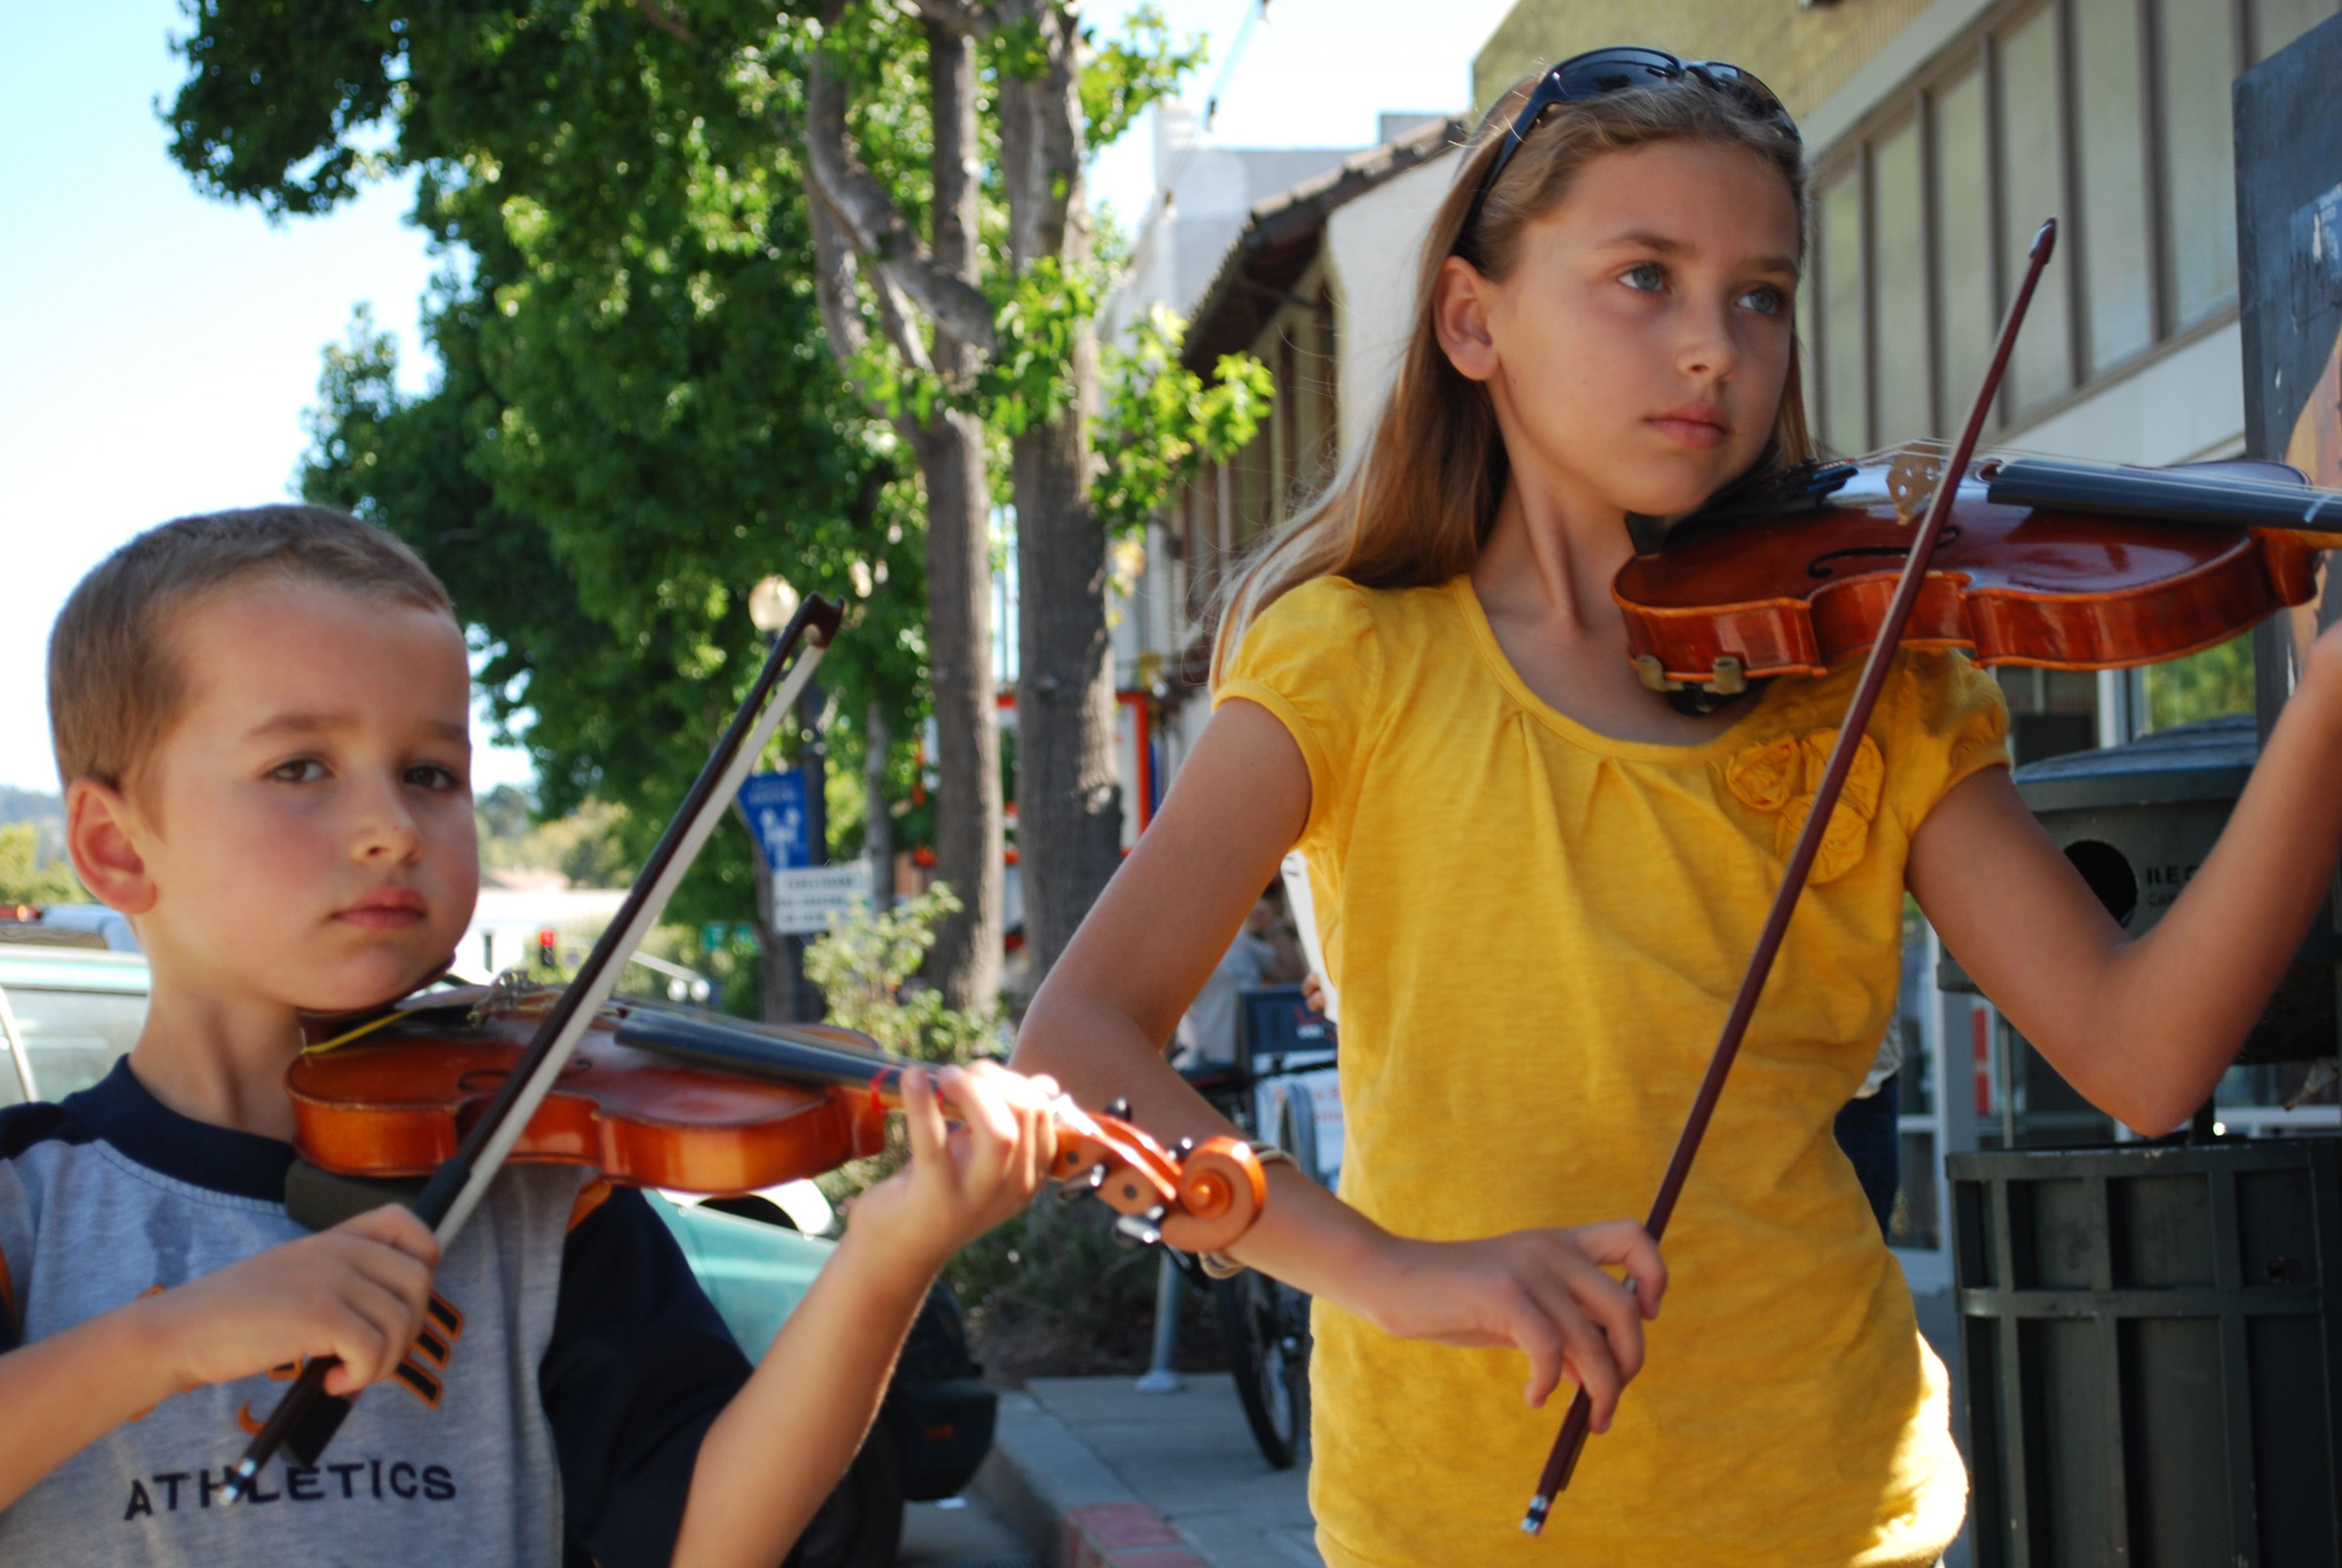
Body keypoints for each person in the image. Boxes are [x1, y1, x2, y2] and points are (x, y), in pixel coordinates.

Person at [1011, 49, 2342, 1567]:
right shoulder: (1348, 661)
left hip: (1832, 1507)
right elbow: (1076, 1045)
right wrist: (1386, 1270)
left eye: (1757, 294)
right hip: (1450, 1522)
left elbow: (2142, 1062)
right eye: (1643, 277)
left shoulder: (1862, 671)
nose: (1712, 346)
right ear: (1471, 320)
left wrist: (2326, 700)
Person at [0, 507, 1060, 1567]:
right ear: (115, 846)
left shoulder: (543, 1203)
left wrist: (887, 1254)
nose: (394, 828)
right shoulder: (29, 1202)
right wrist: (170, 1339)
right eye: (299, 768)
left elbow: (704, 1542)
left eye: (429, 772)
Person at [1173, 896, 1308, 1068]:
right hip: (1207, 1066)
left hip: (1256, 1061)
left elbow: (1293, 976)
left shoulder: (1238, 940)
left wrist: (1271, 926)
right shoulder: (1177, 951)